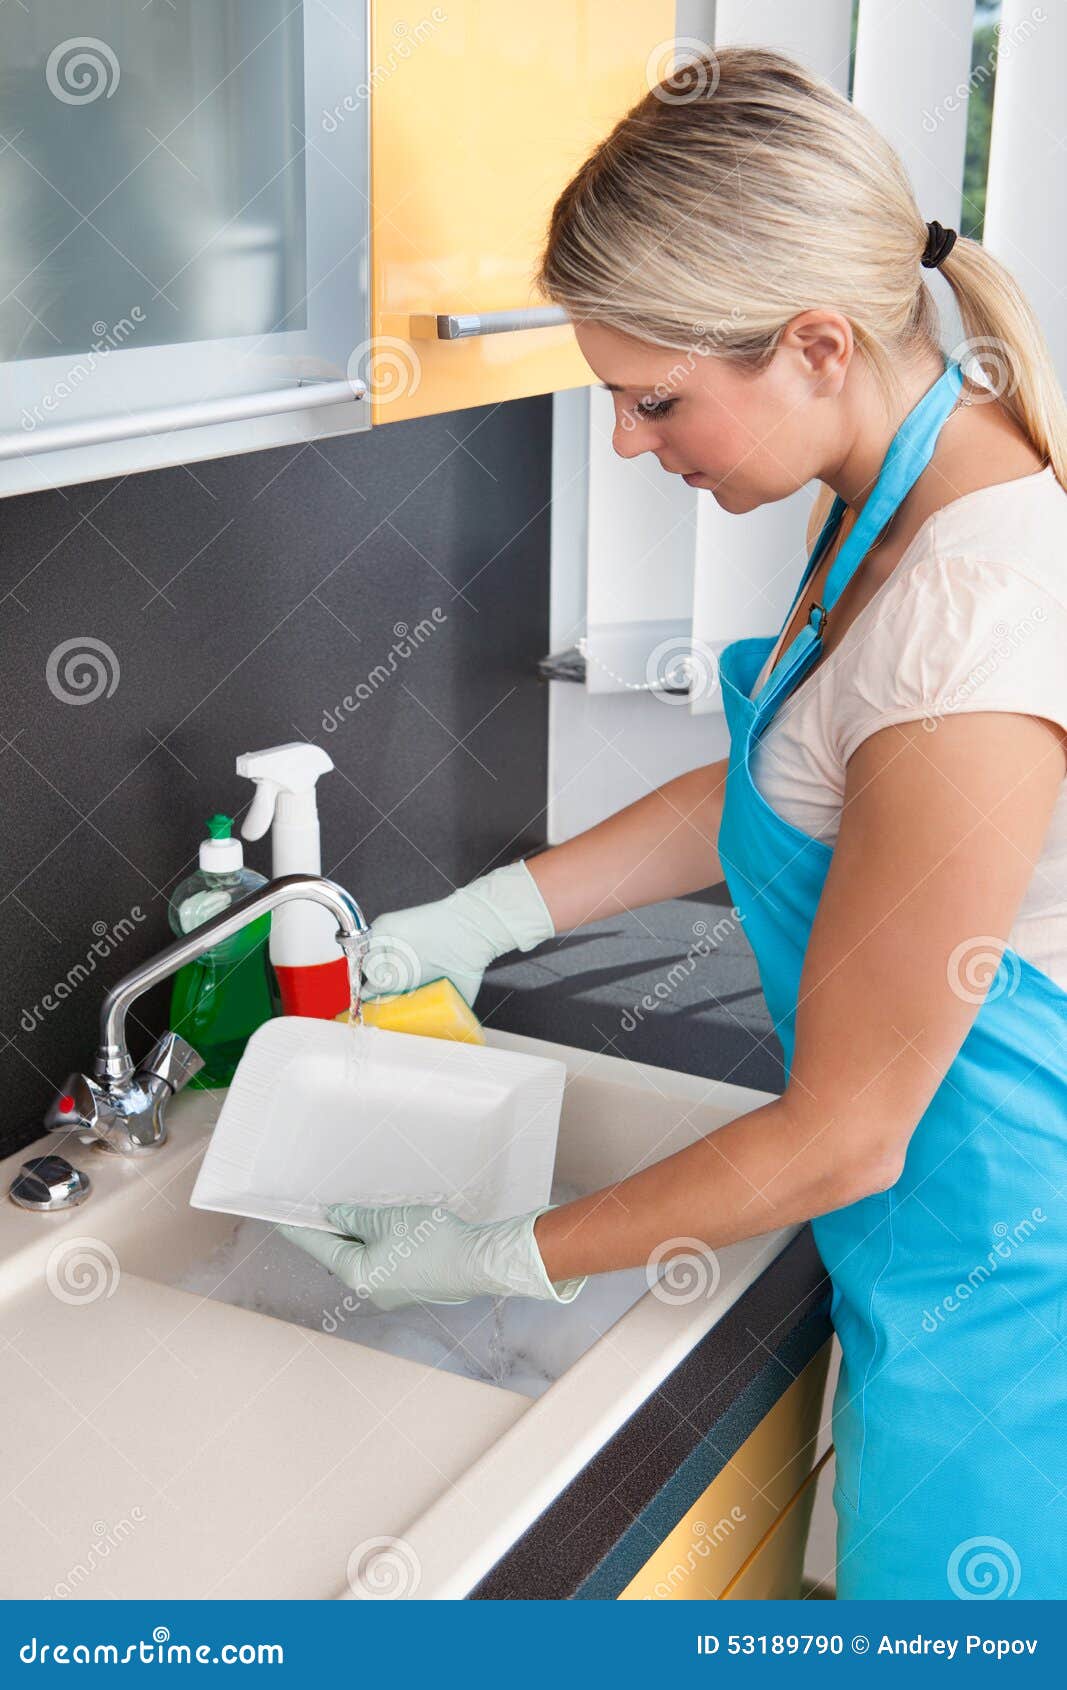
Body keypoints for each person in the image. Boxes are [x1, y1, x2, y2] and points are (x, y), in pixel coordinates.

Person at [281, 46, 1067, 1600]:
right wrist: (491, 914)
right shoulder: (891, 498)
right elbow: (784, 774)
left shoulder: (980, 615)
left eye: (656, 400)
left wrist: (500, 1249)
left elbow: (848, 1130)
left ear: (819, 345)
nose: (633, 444)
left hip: (1013, 1323)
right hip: (938, 1251)